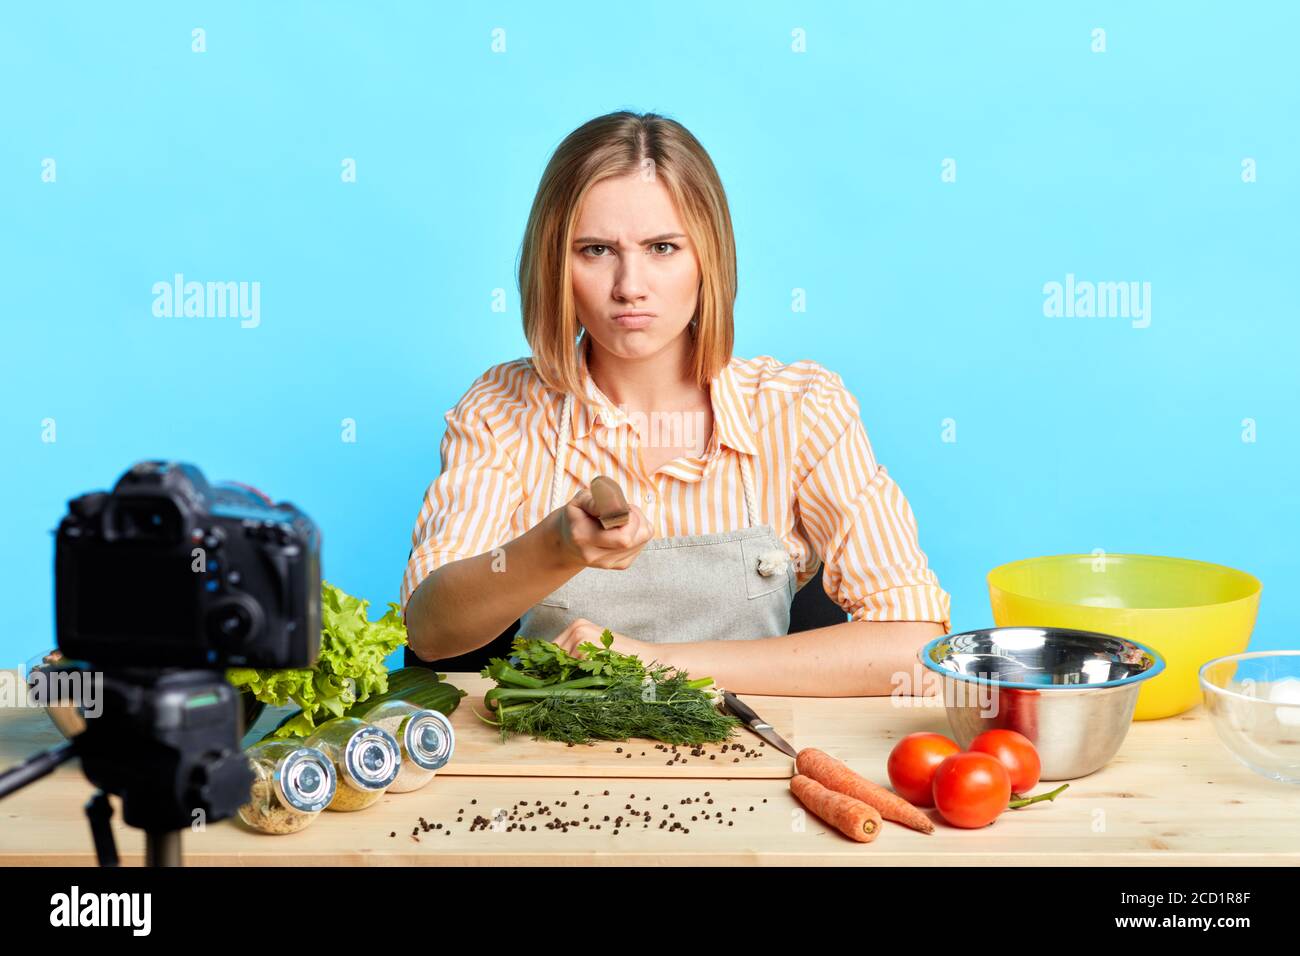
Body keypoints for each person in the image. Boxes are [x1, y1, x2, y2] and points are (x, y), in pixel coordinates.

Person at [399, 111, 950, 696]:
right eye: (595, 250)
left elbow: (912, 649)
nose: (629, 285)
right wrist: (553, 549)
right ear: (554, 266)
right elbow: (431, 631)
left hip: (751, 764)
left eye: (662, 247)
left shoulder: (801, 410)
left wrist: (651, 664)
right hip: (556, 762)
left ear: (707, 259)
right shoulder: (504, 409)